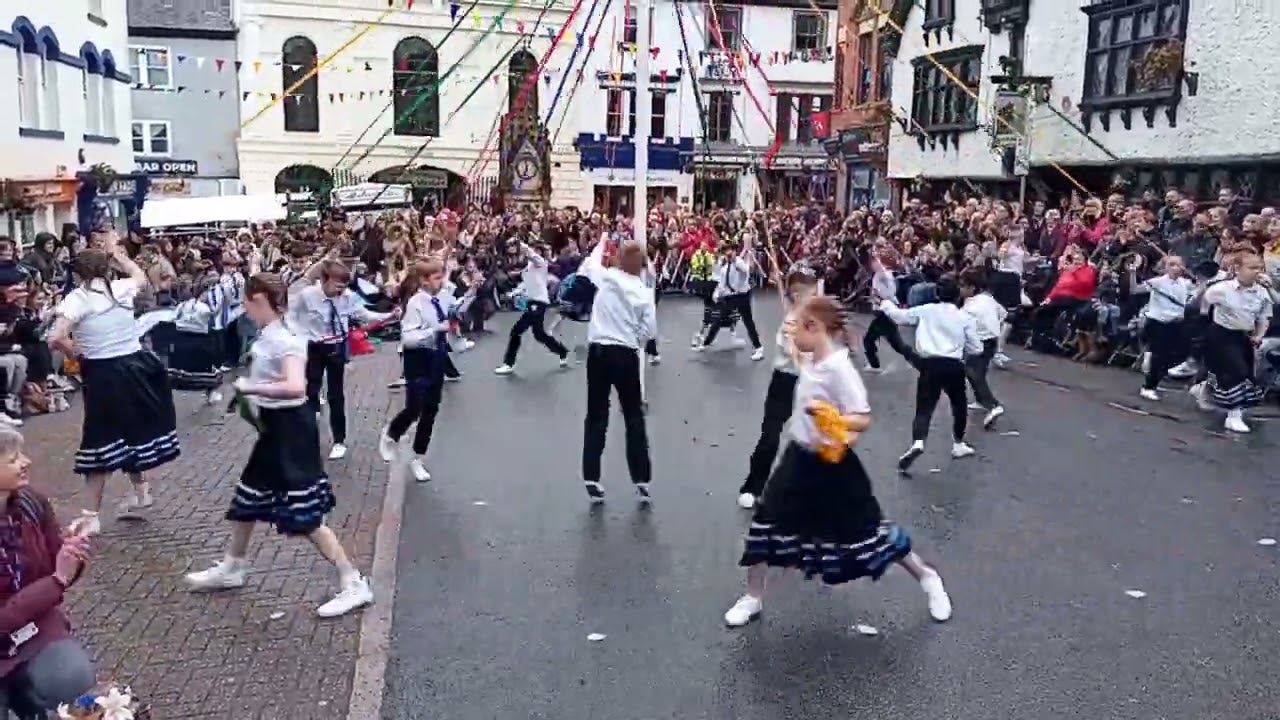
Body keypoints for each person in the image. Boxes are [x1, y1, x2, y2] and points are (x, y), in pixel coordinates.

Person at [723, 296, 952, 628]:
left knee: (868, 529)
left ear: (814, 328)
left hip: (835, 464)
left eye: (798, 328)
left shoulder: (840, 368)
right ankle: (753, 596)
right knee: (766, 522)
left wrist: (836, 421)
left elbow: (862, 418)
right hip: (798, 458)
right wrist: (791, 323)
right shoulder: (812, 359)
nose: (792, 335)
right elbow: (792, 349)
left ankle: (928, 577)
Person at [185, 273, 373, 618]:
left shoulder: (282, 339)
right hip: (276, 428)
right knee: (249, 496)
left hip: (290, 430)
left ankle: (353, 581)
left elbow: (296, 386)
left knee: (306, 514)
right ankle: (233, 566)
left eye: (246, 302)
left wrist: (250, 388)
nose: (243, 309)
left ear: (259, 301)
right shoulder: (275, 330)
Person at [47, 240, 180, 532]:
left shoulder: (77, 298)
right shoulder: (121, 287)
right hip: (137, 365)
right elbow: (141, 277)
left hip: (105, 372)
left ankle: (91, 515)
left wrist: (75, 355)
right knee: (129, 431)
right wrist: (121, 255)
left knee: (100, 440)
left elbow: (55, 337)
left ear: (79, 274)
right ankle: (141, 490)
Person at [0, 428, 96, 720]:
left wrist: (70, 554)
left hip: (35, 629)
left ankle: (28, 699)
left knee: (73, 678)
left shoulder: (30, 502)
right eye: (12, 458)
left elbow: (61, 571)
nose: (26, 461)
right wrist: (56, 579)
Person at [290, 258, 399, 461]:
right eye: (336, 285)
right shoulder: (306, 296)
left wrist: (389, 316)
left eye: (343, 286)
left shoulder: (347, 297)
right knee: (311, 390)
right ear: (323, 280)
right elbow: (292, 318)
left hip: (337, 347)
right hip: (314, 347)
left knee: (336, 394)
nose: (340, 290)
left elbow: (365, 315)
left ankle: (339, 440)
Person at [577, 237, 657, 503]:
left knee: (597, 413)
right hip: (625, 352)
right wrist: (633, 334)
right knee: (633, 414)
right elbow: (649, 332)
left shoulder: (607, 278)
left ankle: (591, 475)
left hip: (599, 350)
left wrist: (600, 242)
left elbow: (589, 264)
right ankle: (641, 477)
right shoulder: (644, 292)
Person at [878, 274, 982, 471]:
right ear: (957, 295)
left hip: (930, 364)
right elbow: (976, 348)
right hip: (954, 365)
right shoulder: (964, 317)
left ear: (936, 292)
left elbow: (900, 317)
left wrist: (886, 304)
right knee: (959, 405)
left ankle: (918, 441)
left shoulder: (926, 311)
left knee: (924, 407)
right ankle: (958, 443)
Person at [737, 268, 820, 510]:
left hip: (809, 384)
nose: (813, 296)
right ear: (795, 294)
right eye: (808, 291)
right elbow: (798, 355)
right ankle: (753, 487)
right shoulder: (789, 324)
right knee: (770, 436)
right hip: (785, 382)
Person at [380, 260, 452, 483]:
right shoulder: (415, 303)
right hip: (418, 359)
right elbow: (409, 338)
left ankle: (417, 457)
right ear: (424, 280)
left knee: (431, 409)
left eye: (442, 276)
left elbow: (454, 312)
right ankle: (391, 434)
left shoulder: (442, 297)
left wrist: (471, 294)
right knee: (415, 408)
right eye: (437, 277)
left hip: (436, 357)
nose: (442, 281)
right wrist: (434, 330)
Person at [1194, 253, 1274, 433]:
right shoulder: (1222, 289)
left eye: (1260, 268)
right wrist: (1204, 326)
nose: (1257, 272)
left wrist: (1259, 335)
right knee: (1236, 371)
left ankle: (1205, 388)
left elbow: (1263, 316)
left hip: (1244, 336)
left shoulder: (1262, 292)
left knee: (1246, 375)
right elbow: (1202, 303)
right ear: (1237, 269)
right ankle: (1233, 415)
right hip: (1221, 334)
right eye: (1252, 268)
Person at [494, 240, 569, 375]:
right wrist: (513, 293)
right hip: (532, 302)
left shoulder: (540, 263)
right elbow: (525, 283)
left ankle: (508, 363)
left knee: (516, 331)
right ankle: (562, 352)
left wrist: (521, 245)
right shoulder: (529, 267)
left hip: (538, 302)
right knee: (539, 334)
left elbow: (531, 254)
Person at [1133, 255, 1193, 401]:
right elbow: (1135, 289)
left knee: (1175, 354)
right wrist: (1132, 273)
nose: (1175, 268)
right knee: (1160, 355)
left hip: (1176, 323)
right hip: (1157, 322)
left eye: (1178, 265)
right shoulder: (1157, 282)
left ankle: (1152, 367)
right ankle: (1148, 387)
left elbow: (1199, 292)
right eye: (1171, 265)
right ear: (1165, 267)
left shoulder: (1186, 283)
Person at [695, 243, 763, 360]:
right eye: (725, 252)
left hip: (742, 296)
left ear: (734, 251)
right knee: (718, 319)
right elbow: (722, 284)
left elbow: (745, 271)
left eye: (730, 251)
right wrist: (716, 295)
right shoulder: (724, 268)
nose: (728, 254)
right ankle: (706, 343)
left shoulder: (739, 263)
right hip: (730, 297)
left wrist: (735, 260)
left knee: (748, 322)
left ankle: (758, 348)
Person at [959, 268, 1006, 429]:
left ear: (972, 288)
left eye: (962, 286)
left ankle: (994, 405)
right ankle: (980, 400)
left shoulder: (969, 307)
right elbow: (1003, 313)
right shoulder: (988, 299)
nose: (960, 289)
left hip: (980, 341)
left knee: (973, 372)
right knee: (978, 371)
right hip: (992, 340)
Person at [167, 275, 225, 403]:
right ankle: (210, 394)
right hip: (199, 341)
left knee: (182, 369)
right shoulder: (203, 307)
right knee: (208, 369)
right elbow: (211, 316)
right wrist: (220, 306)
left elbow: (172, 319)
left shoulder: (181, 306)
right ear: (203, 293)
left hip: (181, 341)